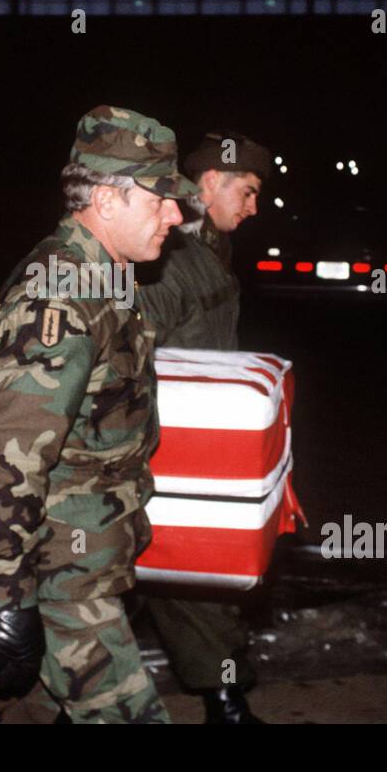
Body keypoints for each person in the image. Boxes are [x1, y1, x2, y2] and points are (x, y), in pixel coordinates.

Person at [0, 105, 198, 724]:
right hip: (58, 567)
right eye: (162, 197)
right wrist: (9, 601)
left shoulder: (109, 277)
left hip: (91, 548)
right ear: (107, 199)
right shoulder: (57, 298)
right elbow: (4, 459)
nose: (176, 213)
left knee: (7, 708)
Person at [135, 130, 271, 723]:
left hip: (190, 442)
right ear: (211, 182)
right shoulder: (166, 257)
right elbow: (125, 355)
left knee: (151, 579)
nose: (255, 206)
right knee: (179, 574)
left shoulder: (206, 247)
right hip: (161, 444)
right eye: (248, 190)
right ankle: (225, 702)